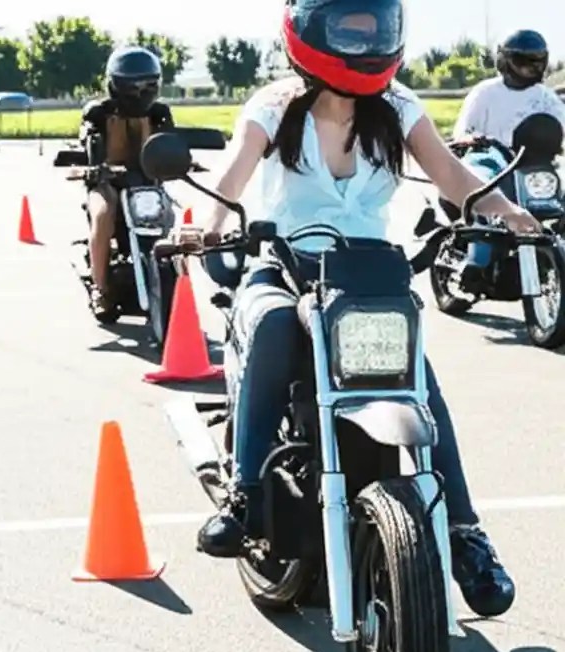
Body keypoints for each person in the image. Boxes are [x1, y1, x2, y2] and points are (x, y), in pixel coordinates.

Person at [189, 0, 534, 618]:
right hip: (286, 265)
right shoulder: (273, 106)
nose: (365, 38)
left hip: (368, 276)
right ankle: (244, 497)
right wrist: (209, 224)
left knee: (421, 387)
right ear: (311, 29)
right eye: (349, 26)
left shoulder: (399, 107)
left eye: (374, 25)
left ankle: (463, 534)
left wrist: (508, 214)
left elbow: (452, 175)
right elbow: (232, 174)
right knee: (268, 322)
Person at [448, 29, 565, 280]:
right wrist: (468, 138)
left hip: (531, 163)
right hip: (490, 155)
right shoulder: (485, 92)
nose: (528, 68)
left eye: (535, 62)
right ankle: (476, 261)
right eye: (522, 61)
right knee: (482, 187)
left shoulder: (545, 96)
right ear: (505, 61)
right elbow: (464, 128)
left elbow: (561, 123)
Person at [78, 46, 177, 321]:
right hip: (106, 184)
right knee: (102, 213)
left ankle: (172, 278)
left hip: (147, 184)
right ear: (115, 84)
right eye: (132, 85)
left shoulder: (159, 113)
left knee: (169, 216)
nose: (139, 92)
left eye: (147, 85)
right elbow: (89, 143)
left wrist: (183, 160)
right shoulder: (98, 113)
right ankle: (100, 287)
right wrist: (94, 167)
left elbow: (172, 142)